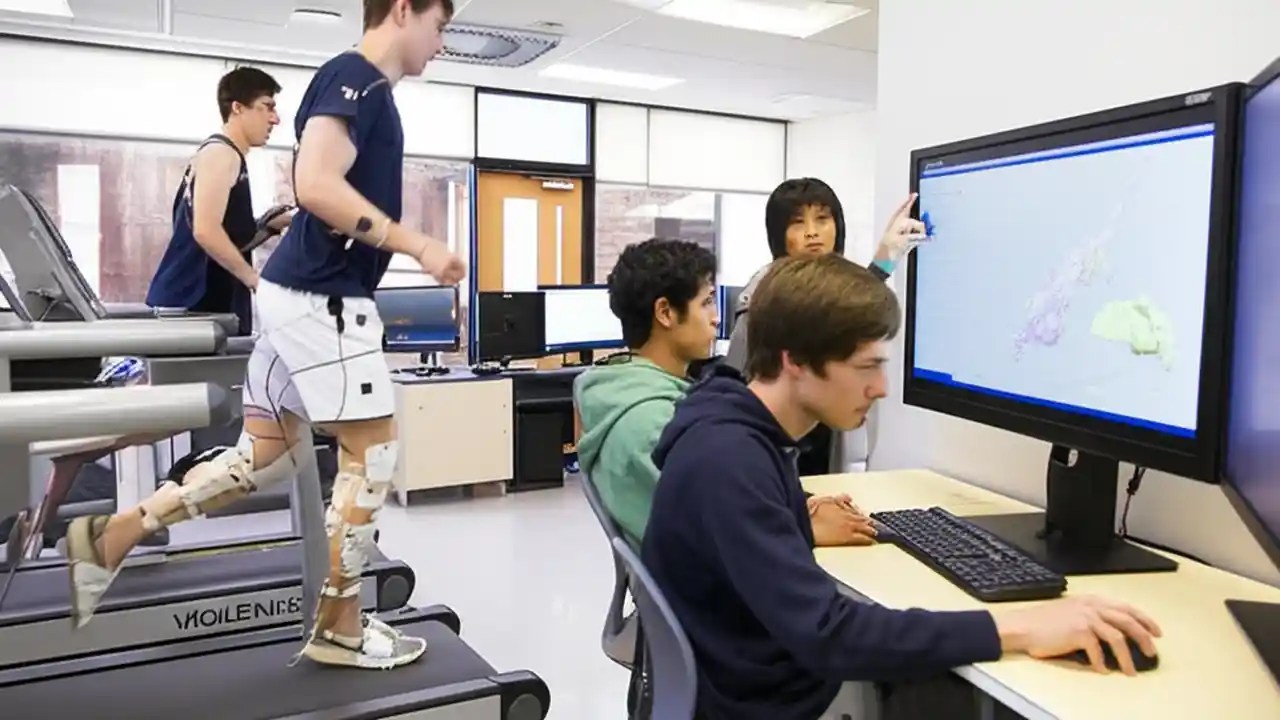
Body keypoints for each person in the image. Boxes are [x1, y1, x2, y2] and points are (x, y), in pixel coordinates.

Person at [65, 0, 465, 671]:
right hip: (321, 299)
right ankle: (340, 628)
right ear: (403, 10)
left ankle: (114, 533)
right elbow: (316, 185)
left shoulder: (366, 90)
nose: (442, 43)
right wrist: (417, 243)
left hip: (293, 294)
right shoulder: (355, 78)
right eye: (440, 26)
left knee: (265, 457)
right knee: (373, 458)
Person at [643, 254, 1162, 720]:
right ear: (794, 360)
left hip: (742, 677)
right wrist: (1021, 627)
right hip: (759, 701)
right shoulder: (730, 461)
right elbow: (830, 635)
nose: (881, 387)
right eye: (866, 367)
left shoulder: (733, 430)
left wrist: (796, 514)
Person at [574, 238, 875, 550]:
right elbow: (720, 529)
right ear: (665, 312)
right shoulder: (650, 420)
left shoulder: (628, 390)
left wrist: (804, 505)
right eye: (706, 302)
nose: (716, 318)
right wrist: (806, 528)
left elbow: (727, 499)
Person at [724, 178, 926, 477]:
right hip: (772, 457)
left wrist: (886, 257)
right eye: (797, 222)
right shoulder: (761, 300)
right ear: (778, 235)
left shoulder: (829, 295)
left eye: (822, 219)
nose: (812, 232)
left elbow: (842, 310)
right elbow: (734, 386)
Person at [145, 66, 292, 336]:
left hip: (211, 302)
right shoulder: (221, 154)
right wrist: (255, 281)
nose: (275, 119)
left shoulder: (230, 156)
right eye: (267, 107)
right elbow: (205, 230)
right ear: (238, 108)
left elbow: (227, 237)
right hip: (190, 304)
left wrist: (269, 226)